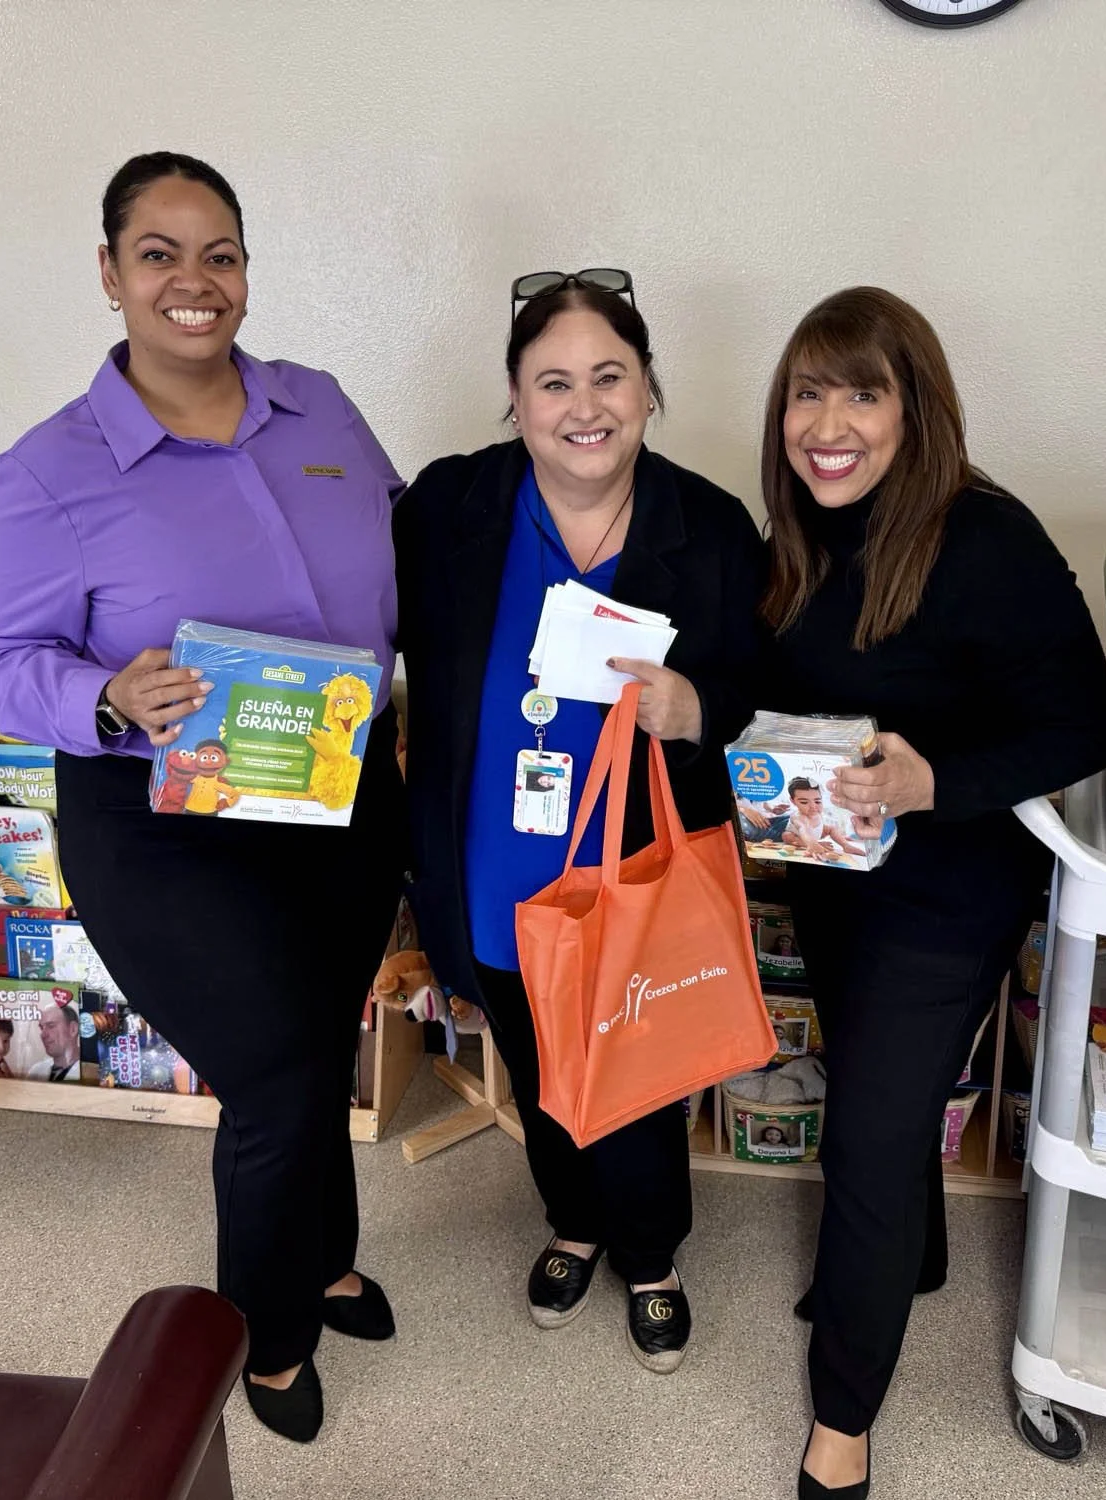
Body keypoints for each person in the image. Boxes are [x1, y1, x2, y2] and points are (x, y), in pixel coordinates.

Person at [0, 152, 405, 1444]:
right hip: (166, 829)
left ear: (246, 272)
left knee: (319, 1037)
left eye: (219, 254)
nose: (192, 281)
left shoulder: (318, 408)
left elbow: (401, 547)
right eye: (157, 254)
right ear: (110, 274)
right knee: (275, 1071)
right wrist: (104, 694)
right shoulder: (49, 473)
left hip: (336, 799)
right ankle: (268, 1332)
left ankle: (324, 1257)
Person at [759, 288, 1106, 1498]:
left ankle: (841, 1420)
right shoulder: (798, 534)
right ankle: (907, 1262)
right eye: (807, 393)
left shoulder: (985, 539)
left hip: (950, 885)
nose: (827, 426)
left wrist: (932, 781)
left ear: (914, 410)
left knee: (864, 1133)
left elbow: (1082, 725)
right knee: (873, 1081)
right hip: (834, 866)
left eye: (860, 395)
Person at [396, 271, 764, 1375]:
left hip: (632, 866)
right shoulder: (449, 506)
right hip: (491, 860)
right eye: (552, 382)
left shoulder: (710, 525)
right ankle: (574, 1221)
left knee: (637, 1074)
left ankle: (649, 1256)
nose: (584, 405)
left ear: (649, 389)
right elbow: (357, 610)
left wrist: (695, 709)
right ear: (514, 398)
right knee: (534, 1060)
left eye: (609, 375)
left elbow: (757, 680)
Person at [28, 999, 82, 1082]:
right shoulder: (36, 1072)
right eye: (41, 1028)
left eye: (51, 1026)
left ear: (73, 1029)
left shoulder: (92, 1072)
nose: (43, 1035)